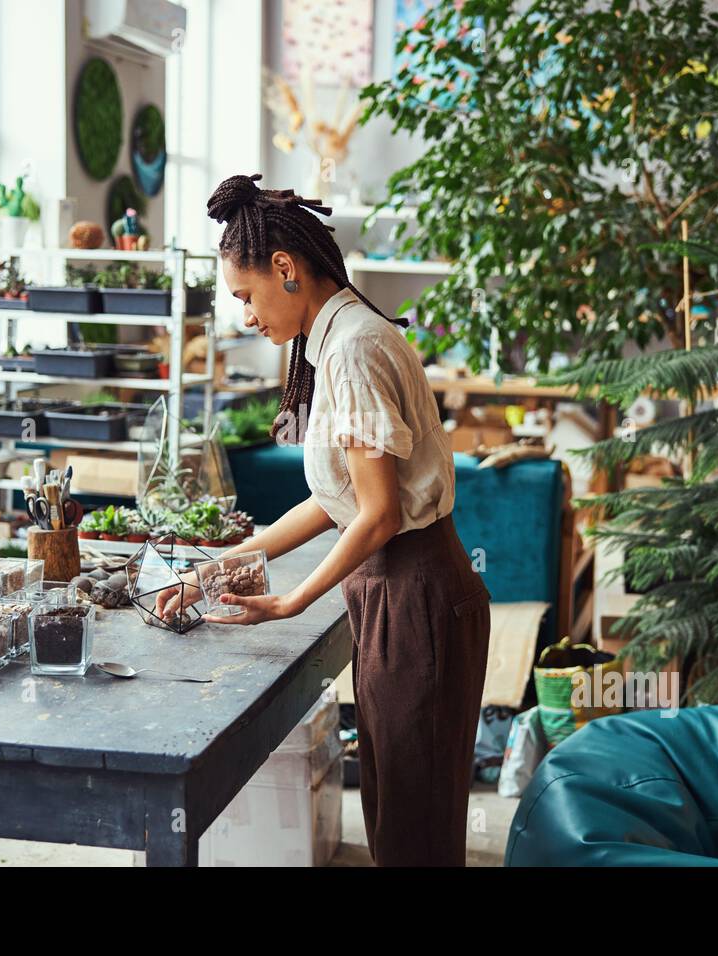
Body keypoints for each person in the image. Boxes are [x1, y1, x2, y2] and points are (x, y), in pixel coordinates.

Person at [158, 173, 491, 866]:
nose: (246, 316)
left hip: (416, 594)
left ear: (285, 268)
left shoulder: (355, 350)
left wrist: (289, 603)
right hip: (394, 594)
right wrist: (220, 567)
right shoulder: (333, 343)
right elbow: (335, 500)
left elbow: (378, 515)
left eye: (245, 296)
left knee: (414, 835)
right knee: (398, 818)